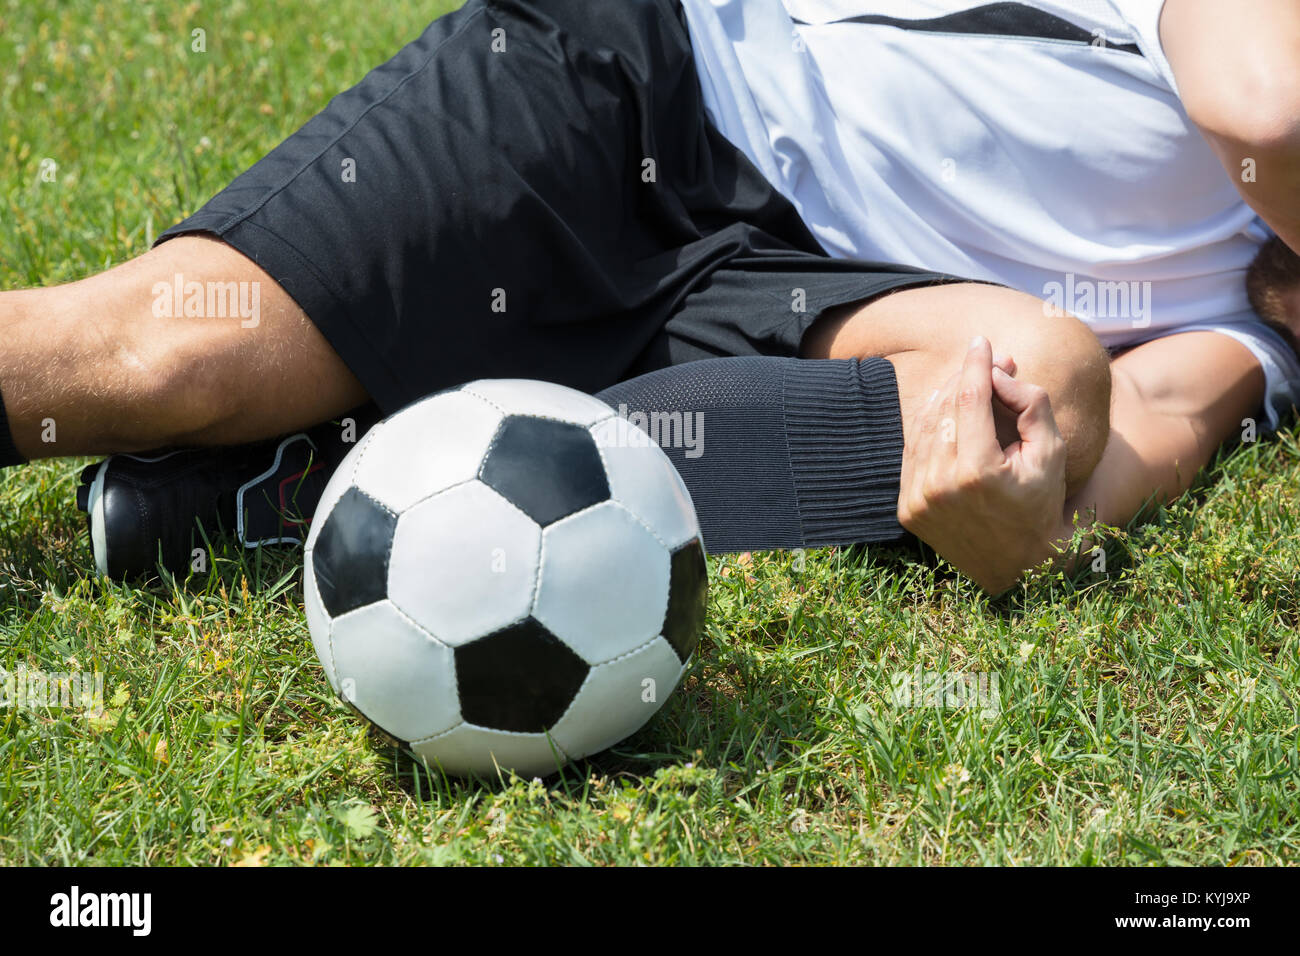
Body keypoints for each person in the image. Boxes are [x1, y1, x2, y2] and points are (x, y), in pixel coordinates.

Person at [4, 0, 1297, 592]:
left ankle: (333, 472)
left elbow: (1139, 431)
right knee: (161, 361)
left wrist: (1033, 539)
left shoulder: (1267, 328)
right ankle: (317, 441)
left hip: (833, 294)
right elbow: (1268, 112)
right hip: (647, 90)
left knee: (1043, 380)